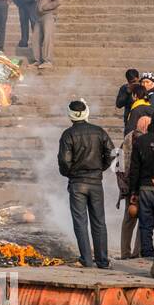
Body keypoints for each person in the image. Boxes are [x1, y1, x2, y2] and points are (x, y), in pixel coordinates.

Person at [58, 99, 114, 269]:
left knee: (80, 222)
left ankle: (86, 260)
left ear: (70, 115)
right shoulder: (99, 132)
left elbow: (64, 161)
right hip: (96, 182)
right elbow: (112, 154)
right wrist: (100, 169)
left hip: (77, 183)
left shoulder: (68, 134)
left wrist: (71, 174)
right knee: (99, 222)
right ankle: (103, 261)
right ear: (87, 112)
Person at [127, 109, 154, 259]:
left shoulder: (140, 141)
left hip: (144, 188)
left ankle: (147, 252)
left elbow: (134, 169)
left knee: (145, 224)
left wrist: (133, 192)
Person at [116, 114, 147, 260]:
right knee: (143, 220)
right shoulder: (147, 141)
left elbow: (119, 167)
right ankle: (136, 252)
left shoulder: (127, 140)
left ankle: (126, 252)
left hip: (129, 187)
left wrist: (123, 187)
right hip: (141, 187)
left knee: (129, 220)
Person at [32, 0, 61, 68]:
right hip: (39, 16)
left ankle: (48, 61)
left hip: (48, 15)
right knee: (35, 38)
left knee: (48, 38)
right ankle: (38, 60)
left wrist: (44, 7)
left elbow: (58, 1)